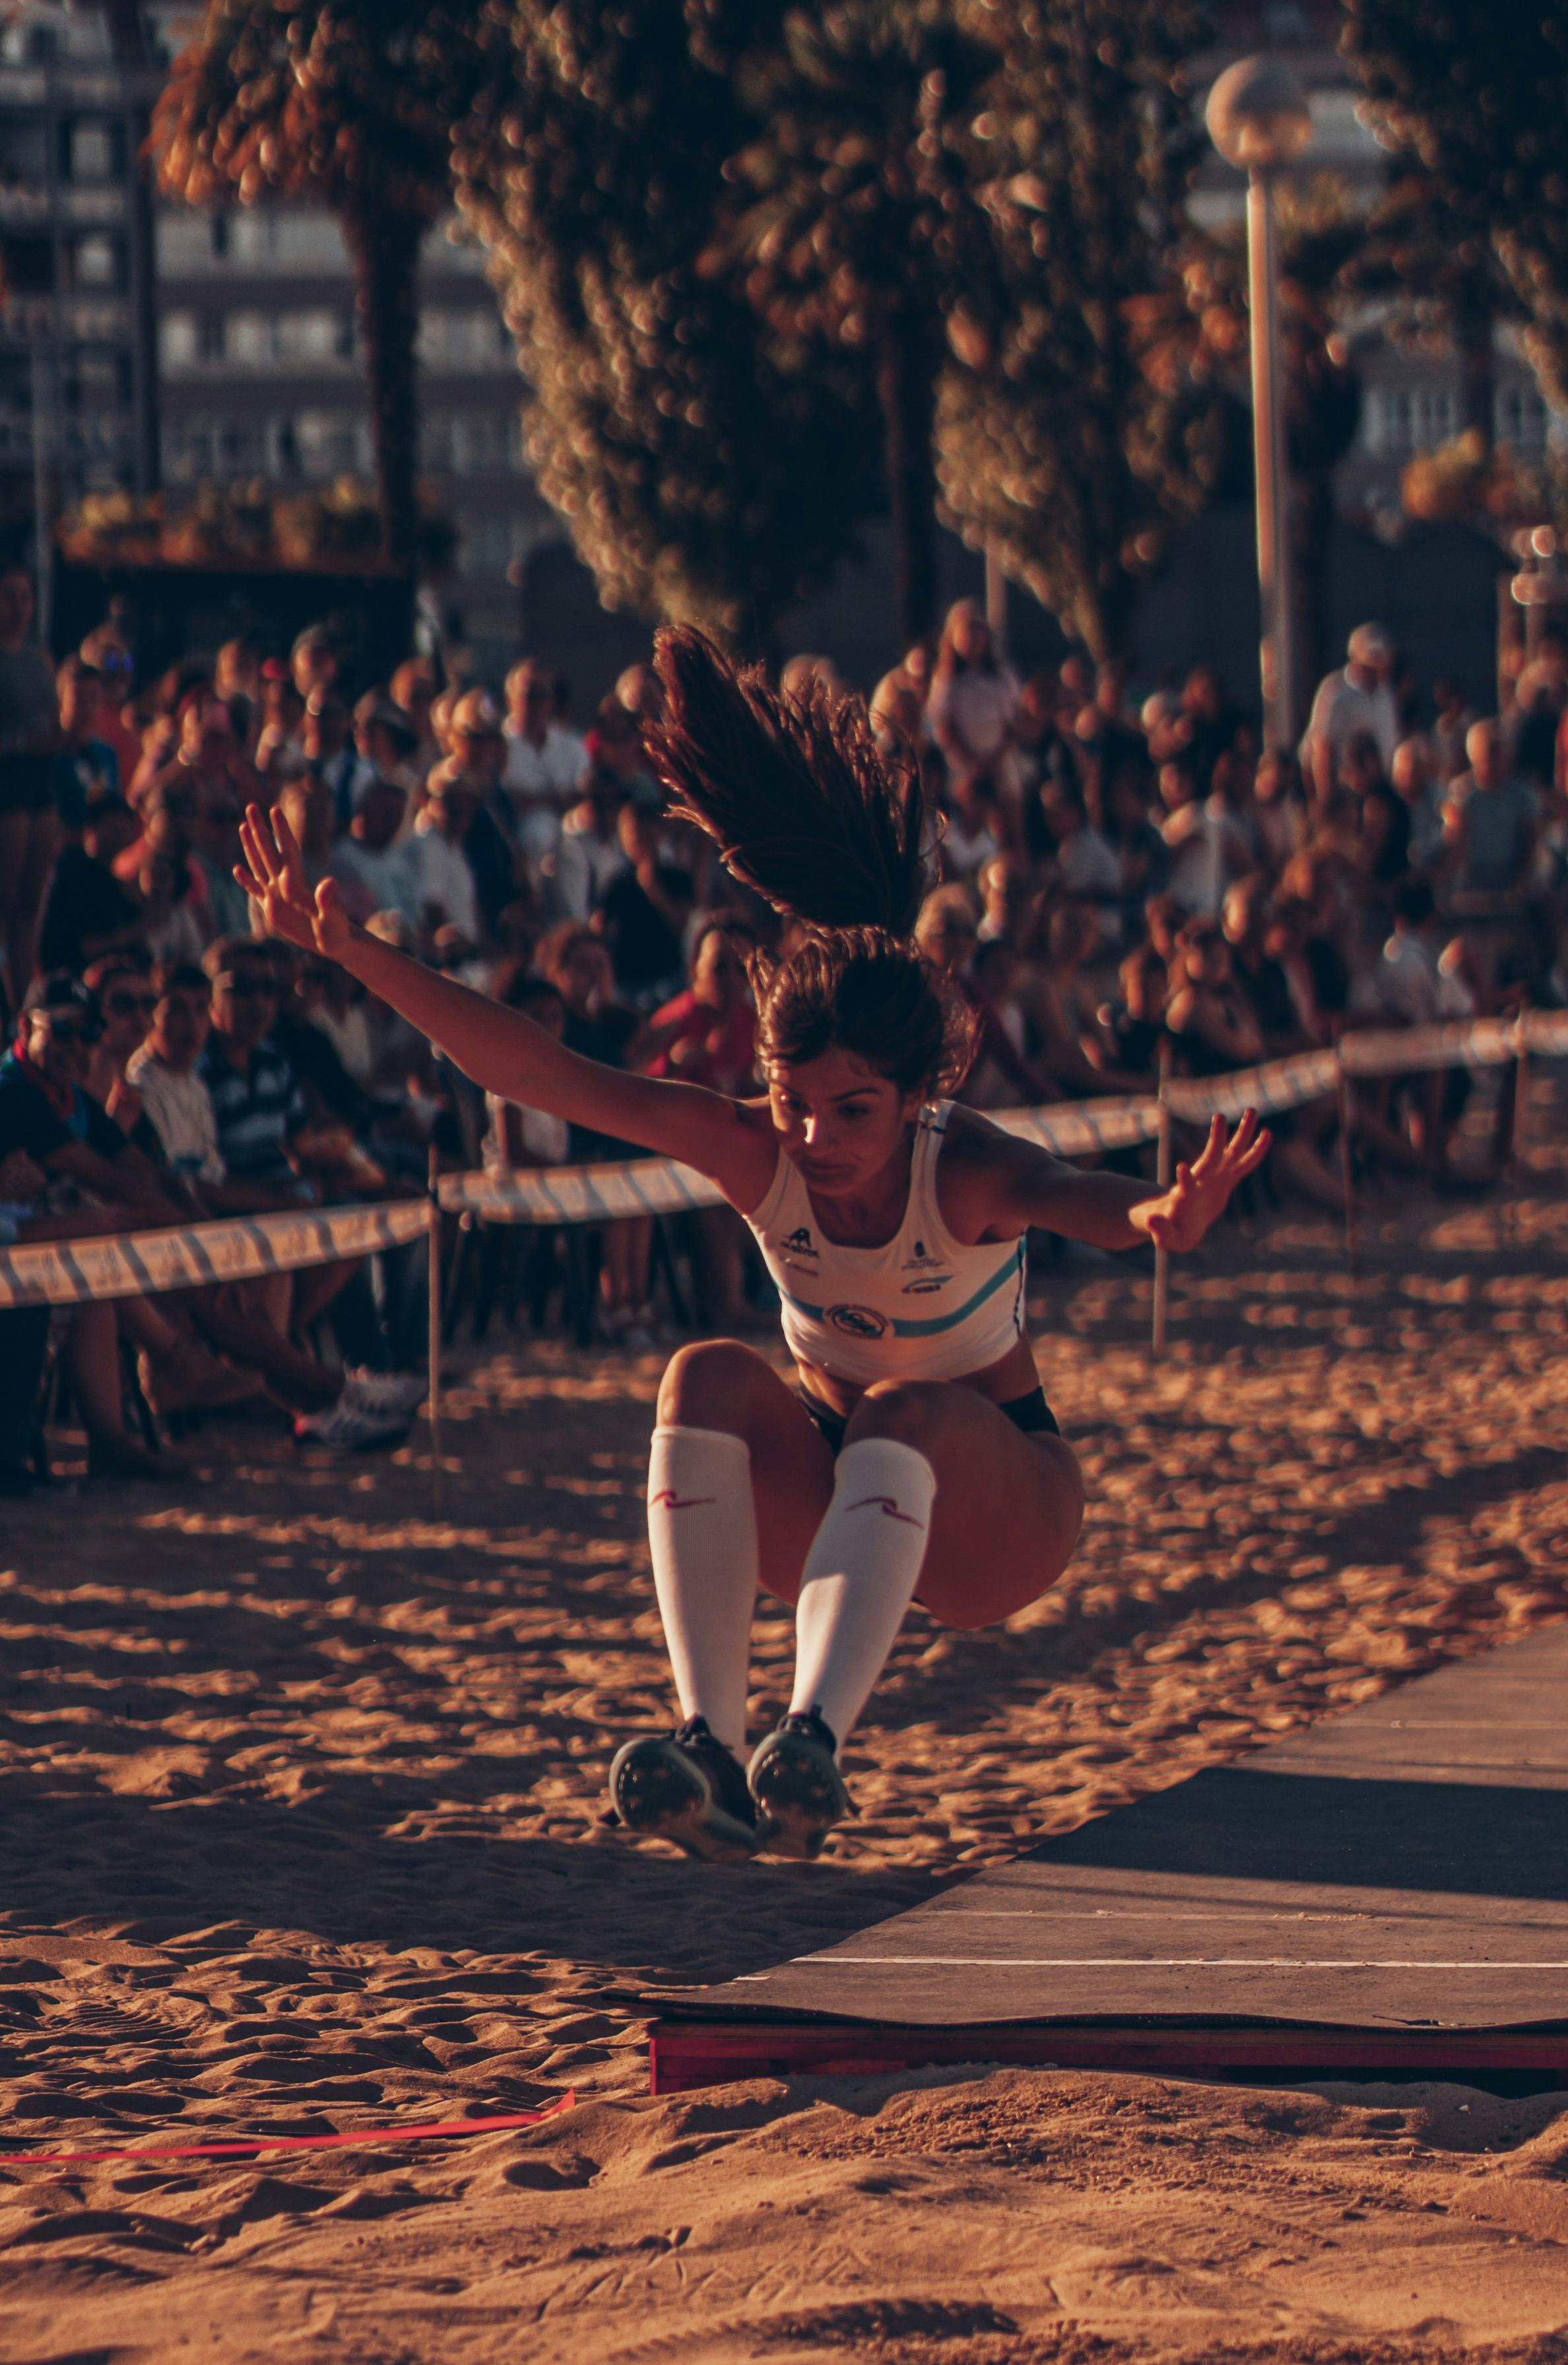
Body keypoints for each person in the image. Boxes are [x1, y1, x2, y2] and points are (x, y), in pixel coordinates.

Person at [237, 628, 1267, 1863]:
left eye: (853, 1112)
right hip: (838, 1495)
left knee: (901, 1411)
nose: (818, 1137)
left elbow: (1084, 1196)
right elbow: (537, 1068)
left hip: (1005, 1515)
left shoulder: (968, 1165)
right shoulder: (753, 1146)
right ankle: (711, 1749)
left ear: (917, 1096)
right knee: (704, 1376)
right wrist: (358, 953)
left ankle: (811, 1746)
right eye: (797, 1102)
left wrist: (1164, 1217)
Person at [0, 566, 65, 1007]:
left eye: (26, 596)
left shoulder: (39, 657)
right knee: (5, 899)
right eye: (10, 596)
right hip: (9, 777)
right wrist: (24, 741)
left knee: (29, 906)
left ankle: (24, 1002)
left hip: (42, 776)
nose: (20, 606)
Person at [1301, 624, 1399, 800]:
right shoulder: (1335, 690)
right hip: (1342, 791)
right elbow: (1321, 749)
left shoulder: (1387, 696)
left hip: (1376, 791)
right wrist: (1326, 799)